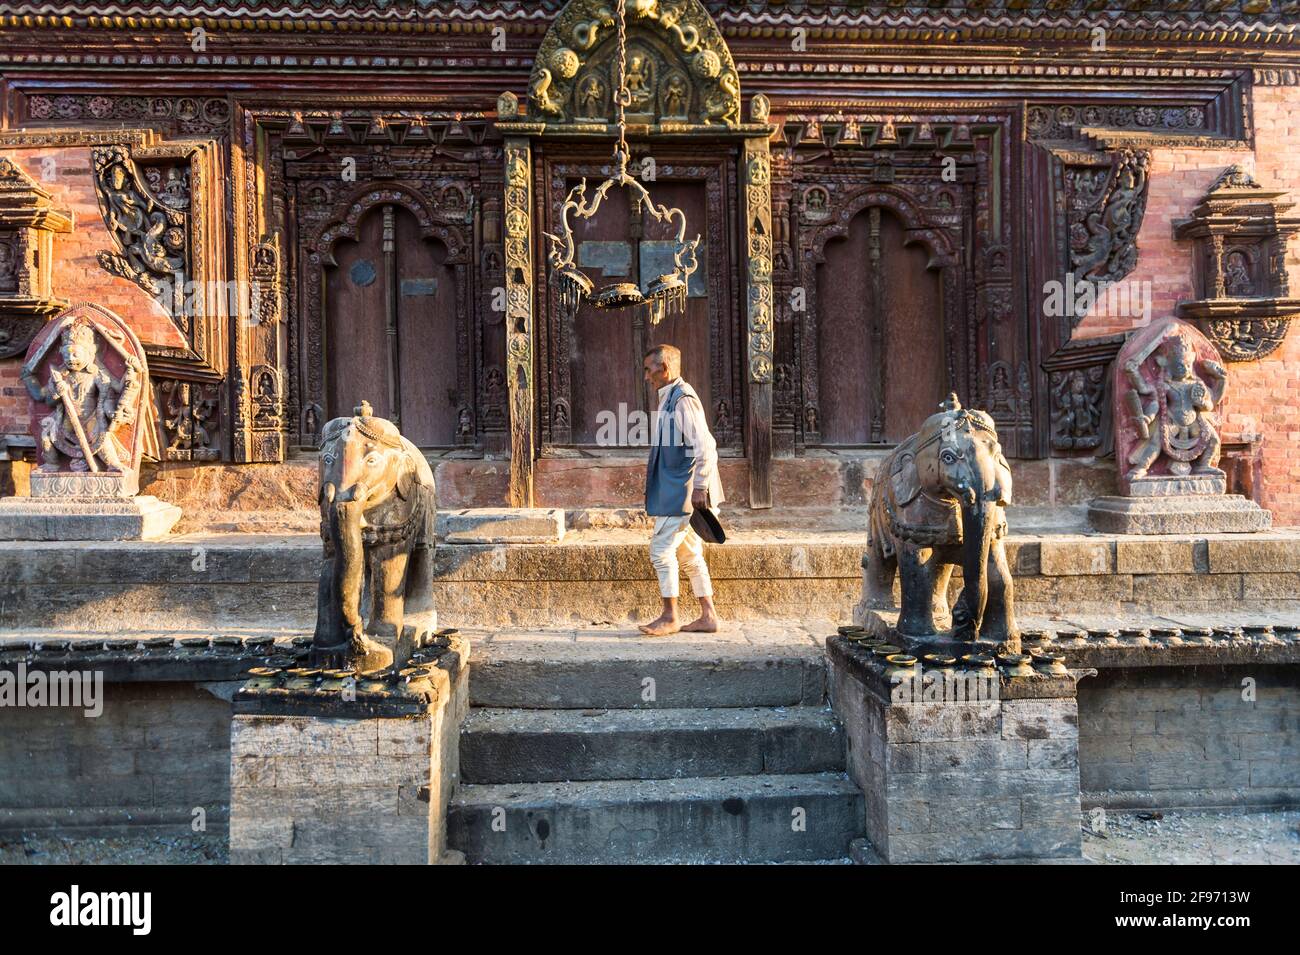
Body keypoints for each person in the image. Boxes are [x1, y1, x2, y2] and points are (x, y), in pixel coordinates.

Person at [638, 344, 725, 636]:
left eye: (649, 370)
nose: (647, 377)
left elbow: (707, 447)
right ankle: (708, 616)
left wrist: (700, 487)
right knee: (689, 554)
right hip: (682, 490)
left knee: (661, 551)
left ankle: (670, 616)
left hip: (684, 492)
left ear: (664, 369)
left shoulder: (683, 400)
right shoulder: (671, 398)